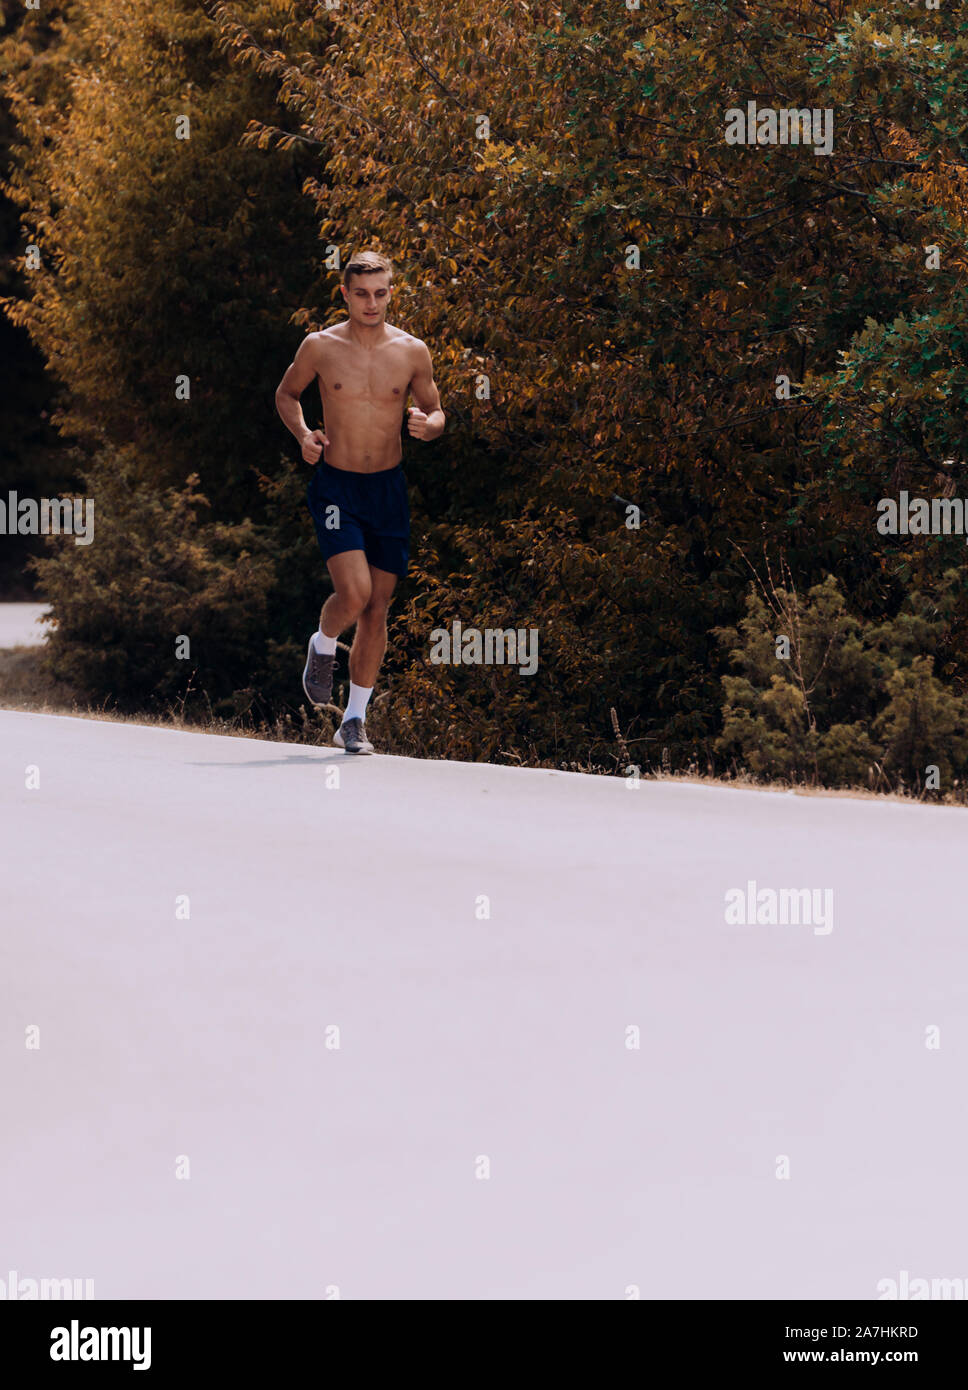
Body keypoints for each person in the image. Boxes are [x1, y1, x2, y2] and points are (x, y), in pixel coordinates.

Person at [275, 251, 445, 753]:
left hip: (387, 489)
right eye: (362, 293)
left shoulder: (412, 351)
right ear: (346, 294)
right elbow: (287, 394)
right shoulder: (320, 346)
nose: (372, 303)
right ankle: (322, 643)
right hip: (337, 487)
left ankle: (353, 719)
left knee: (378, 607)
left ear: (391, 292)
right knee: (353, 594)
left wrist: (428, 426)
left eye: (381, 292)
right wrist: (304, 435)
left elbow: (437, 411)